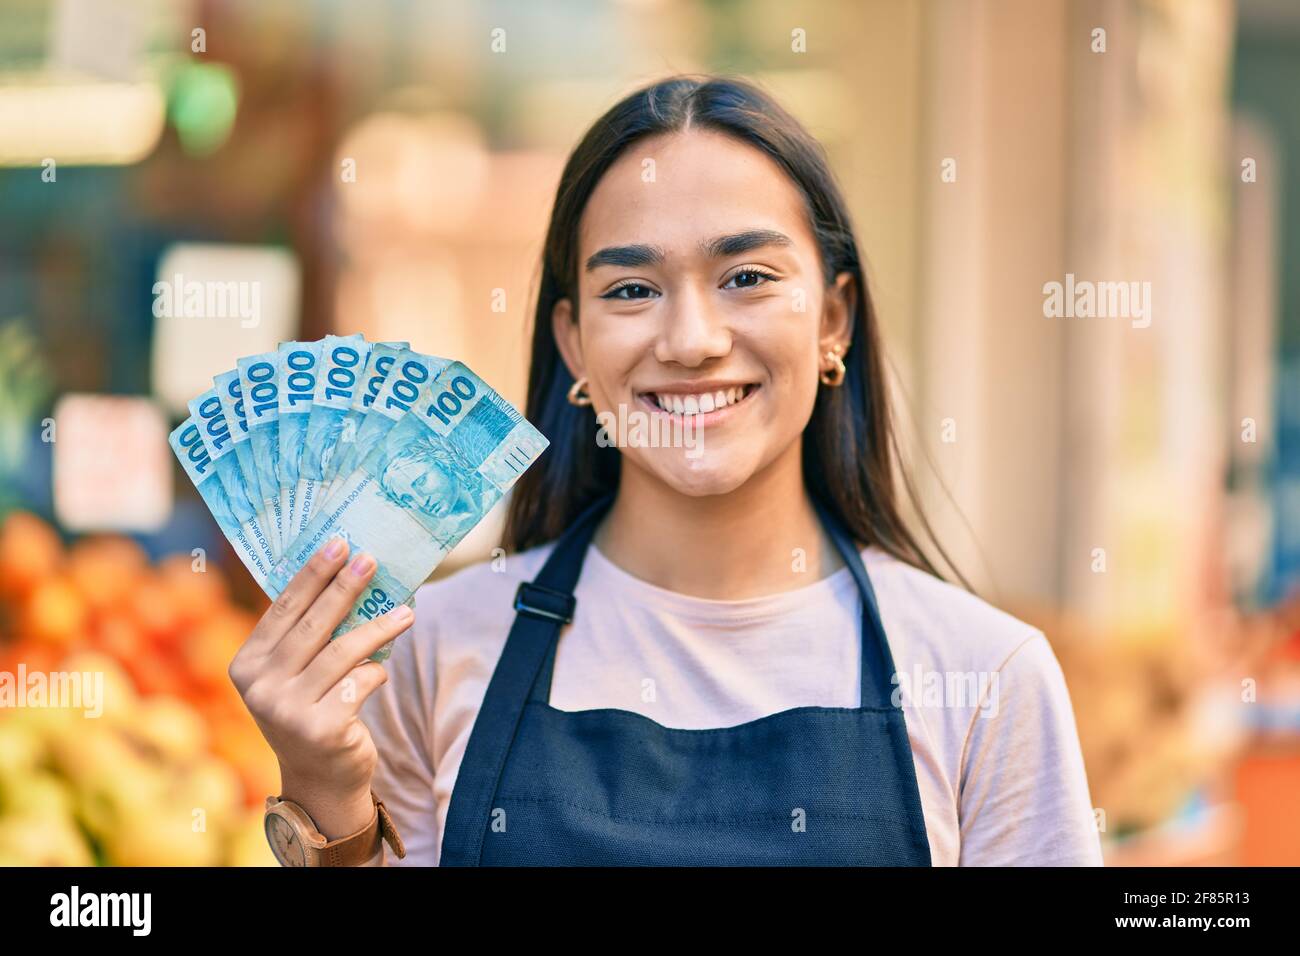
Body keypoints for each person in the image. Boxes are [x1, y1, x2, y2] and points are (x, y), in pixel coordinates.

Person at [232, 75, 1104, 866]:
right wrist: (326, 799)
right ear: (573, 343)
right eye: (632, 290)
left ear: (833, 319)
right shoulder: (431, 652)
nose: (691, 340)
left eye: (748, 276)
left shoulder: (984, 678)